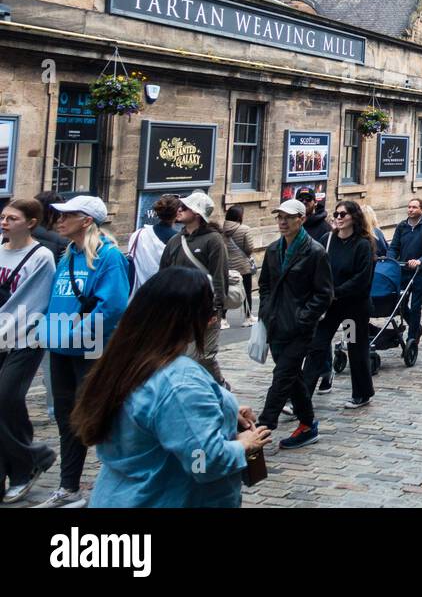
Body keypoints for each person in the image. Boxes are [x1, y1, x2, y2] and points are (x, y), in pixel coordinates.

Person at [71, 267, 272, 507]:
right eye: (210, 310)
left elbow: (158, 423)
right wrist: (245, 444)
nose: (213, 319)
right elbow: (204, 461)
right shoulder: (180, 381)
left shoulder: (127, 361)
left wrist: (225, 413)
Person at [37, 195, 130, 508]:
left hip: (89, 349)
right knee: (66, 419)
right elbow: (56, 300)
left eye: (68, 215)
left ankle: (115, 481)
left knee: (99, 416)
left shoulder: (109, 256)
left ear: (87, 220)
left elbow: (113, 305)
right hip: (61, 348)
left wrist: (75, 334)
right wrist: (48, 332)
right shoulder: (68, 255)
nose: (59, 220)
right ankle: (69, 486)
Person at [256, 199, 333, 450]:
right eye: (279, 217)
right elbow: (264, 284)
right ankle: (308, 425)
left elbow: (324, 294)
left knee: (281, 377)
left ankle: (263, 427)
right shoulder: (272, 250)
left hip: (300, 329)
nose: (282, 222)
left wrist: (304, 318)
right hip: (276, 324)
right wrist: (266, 311)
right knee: (293, 377)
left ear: (301, 219)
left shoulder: (314, 251)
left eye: (288, 217)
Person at [0, 199, 58, 503]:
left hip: (24, 338)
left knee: (5, 397)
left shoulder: (41, 256)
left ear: (31, 222)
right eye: (3, 217)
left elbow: (35, 302)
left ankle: (30, 461)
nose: (5, 222)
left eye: (13, 218)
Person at [305, 201, 375, 409]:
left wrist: (337, 292)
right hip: (331, 308)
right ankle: (302, 396)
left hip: (353, 309)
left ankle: (362, 393)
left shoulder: (363, 244)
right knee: (317, 347)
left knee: (354, 347)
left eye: (343, 214)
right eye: (336, 214)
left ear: (353, 217)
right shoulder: (328, 240)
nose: (338, 217)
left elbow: (362, 279)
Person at [158, 192, 229, 387]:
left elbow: (219, 276)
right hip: (179, 310)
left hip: (204, 309)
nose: (179, 210)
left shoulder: (213, 240)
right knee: (178, 357)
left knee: (204, 357)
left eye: (185, 208)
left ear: (197, 214)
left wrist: (215, 309)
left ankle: (220, 387)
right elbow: (164, 275)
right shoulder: (174, 241)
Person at [391, 198, 422, 345]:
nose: (411, 209)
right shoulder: (402, 226)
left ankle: (412, 337)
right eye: (409, 207)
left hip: (420, 272)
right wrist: (390, 260)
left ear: (421, 210)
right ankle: (417, 328)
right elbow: (394, 247)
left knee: (416, 305)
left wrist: (420, 260)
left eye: (414, 207)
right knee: (400, 304)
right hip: (403, 270)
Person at [124, 194, 181, 293]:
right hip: (162, 296)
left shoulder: (138, 234)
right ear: (177, 213)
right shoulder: (179, 240)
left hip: (135, 296)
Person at [219, 205, 256, 328]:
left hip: (227, 266)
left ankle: (223, 318)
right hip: (243, 266)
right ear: (240, 216)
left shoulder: (221, 230)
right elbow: (249, 248)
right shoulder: (245, 229)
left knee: (226, 292)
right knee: (246, 291)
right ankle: (248, 317)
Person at [32, 191, 69, 259]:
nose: (61, 219)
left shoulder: (20, 232)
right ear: (51, 215)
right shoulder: (62, 243)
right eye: (61, 214)